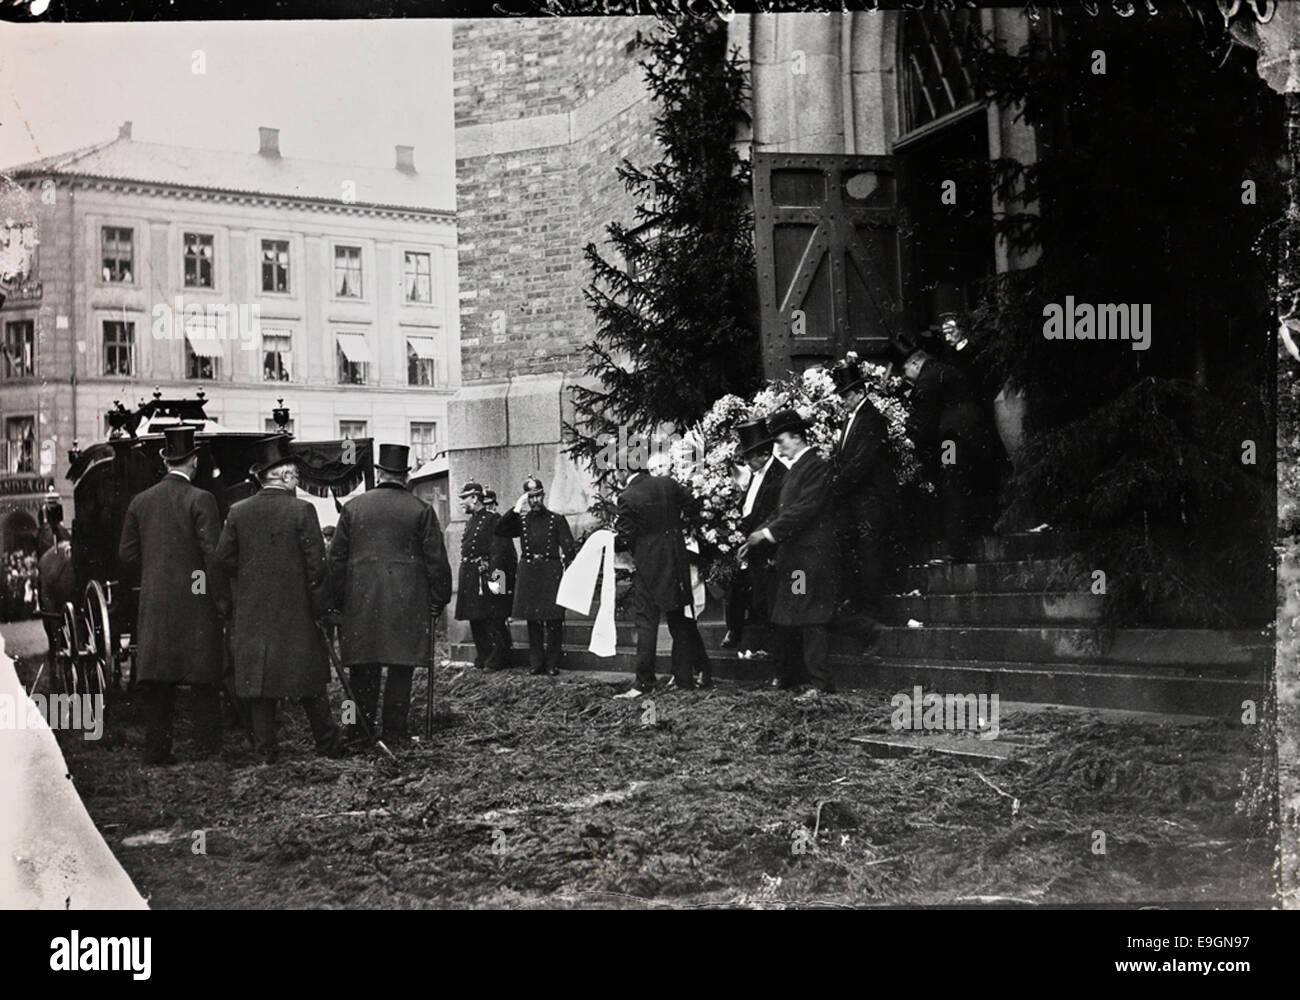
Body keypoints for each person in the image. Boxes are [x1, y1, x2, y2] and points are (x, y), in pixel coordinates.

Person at [216, 435, 345, 764]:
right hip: (298, 611)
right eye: (295, 476)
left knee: (260, 687)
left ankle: (266, 754)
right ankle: (328, 746)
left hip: (254, 612)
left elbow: (222, 560)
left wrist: (251, 581)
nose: (297, 480)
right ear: (285, 477)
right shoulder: (302, 510)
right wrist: (322, 609)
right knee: (310, 681)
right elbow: (317, 567)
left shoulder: (237, 512)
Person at [118, 425, 228, 764]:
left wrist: (157, 572)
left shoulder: (141, 502)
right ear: (193, 462)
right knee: (202, 677)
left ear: (165, 461)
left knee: (159, 681)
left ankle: (157, 751)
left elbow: (127, 555)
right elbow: (212, 555)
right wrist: (214, 595)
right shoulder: (201, 499)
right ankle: (206, 748)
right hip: (195, 599)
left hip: (155, 601)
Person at [329, 444, 452, 745]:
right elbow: (436, 561)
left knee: (361, 672)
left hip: (361, 603)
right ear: (405, 476)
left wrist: (334, 602)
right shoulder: (421, 510)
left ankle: (357, 731)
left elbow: (336, 561)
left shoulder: (353, 508)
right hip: (406, 605)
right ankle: (395, 733)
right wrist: (439, 598)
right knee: (401, 669)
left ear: (380, 473)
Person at [740, 409, 839, 702]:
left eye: (782, 441)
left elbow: (804, 509)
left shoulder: (816, 467)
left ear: (797, 437)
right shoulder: (796, 468)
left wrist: (767, 534)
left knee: (810, 615)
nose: (778, 447)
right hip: (796, 559)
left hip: (810, 557)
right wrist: (757, 534)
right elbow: (780, 511)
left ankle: (820, 683)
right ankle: (798, 676)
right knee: (795, 612)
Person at [890, 333, 1004, 563]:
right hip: (976, 435)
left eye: (905, 371)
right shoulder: (944, 368)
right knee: (974, 482)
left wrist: (905, 439)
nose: (906, 377)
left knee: (951, 482)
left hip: (952, 440)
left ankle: (956, 549)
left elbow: (921, 420)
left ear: (915, 363)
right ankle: (982, 530)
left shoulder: (927, 379)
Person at [613, 464, 710, 697]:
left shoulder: (627, 496)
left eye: (615, 472)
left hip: (648, 566)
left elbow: (625, 537)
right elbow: (693, 505)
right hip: (676, 560)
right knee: (681, 620)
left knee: (646, 623)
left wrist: (609, 542)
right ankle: (684, 679)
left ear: (624, 471)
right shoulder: (668, 484)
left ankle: (644, 682)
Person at [828, 354, 900, 623]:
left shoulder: (871, 418)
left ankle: (871, 608)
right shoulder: (850, 419)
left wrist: (835, 487)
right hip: (855, 498)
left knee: (870, 552)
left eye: (847, 394)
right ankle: (858, 601)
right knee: (855, 550)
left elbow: (862, 462)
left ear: (860, 392)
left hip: (872, 497)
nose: (843, 399)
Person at [494, 477, 575, 676]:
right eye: (531, 497)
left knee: (553, 620)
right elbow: (500, 530)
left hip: (550, 572)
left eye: (538, 496)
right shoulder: (521, 520)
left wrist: (566, 568)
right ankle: (536, 663)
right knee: (533, 621)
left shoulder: (556, 519)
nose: (535, 500)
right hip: (529, 572)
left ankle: (552, 664)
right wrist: (516, 507)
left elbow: (569, 547)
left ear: (543, 495)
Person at [721, 419, 787, 657]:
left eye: (750, 456)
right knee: (738, 589)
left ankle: (775, 654)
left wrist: (753, 537)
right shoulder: (758, 473)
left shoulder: (779, 475)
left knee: (764, 600)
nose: (746, 461)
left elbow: (775, 512)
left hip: (768, 546)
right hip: (752, 540)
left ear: (763, 454)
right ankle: (735, 630)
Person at [454, 481, 514, 671]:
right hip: (471, 575)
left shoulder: (493, 519)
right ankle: (484, 655)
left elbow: (501, 552)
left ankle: (498, 658)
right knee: (476, 618)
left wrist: (495, 581)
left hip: (487, 575)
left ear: (475, 498)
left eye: (464, 499)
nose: (462, 503)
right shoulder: (472, 520)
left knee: (493, 618)